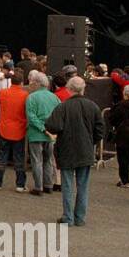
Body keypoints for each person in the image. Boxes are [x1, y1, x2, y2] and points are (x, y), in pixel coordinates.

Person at [45, 76, 105, 226]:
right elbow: (100, 130)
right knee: (83, 185)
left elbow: (52, 126)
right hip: (85, 150)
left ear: (68, 89)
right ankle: (80, 217)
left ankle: (68, 217)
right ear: (83, 89)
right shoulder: (93, 106)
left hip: (67, 149)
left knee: (67, 185)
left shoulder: (63, 107)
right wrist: (91, 142)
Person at [0, 71, 29, 191]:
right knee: (19, 158)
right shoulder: (25, 95)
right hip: (19, 129)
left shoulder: (3, 93)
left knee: (1, 156)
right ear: (22, 82)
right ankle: (20, 184)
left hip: (4, 128)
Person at [25, 70, 60, 195]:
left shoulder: (31, 97)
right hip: (51, 135)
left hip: (36, 134)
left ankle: (38, 187)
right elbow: (58, 115)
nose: (31, 85)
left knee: (37, 161)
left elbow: (31, 116)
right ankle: (48, 185)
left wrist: (42, 128)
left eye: (33, 83)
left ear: (37, 83)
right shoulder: (54, 97)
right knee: (48, 160)